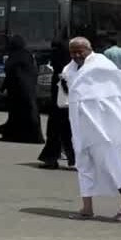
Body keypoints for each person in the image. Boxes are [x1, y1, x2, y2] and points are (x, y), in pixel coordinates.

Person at [61, 36, 121, 222]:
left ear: (89, 49)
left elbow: (116, 93)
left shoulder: (102, 64)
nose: (76, 55)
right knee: (83, 165)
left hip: (102, 127)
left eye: (80, 51)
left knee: (111, 164)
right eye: (73, 52)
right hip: (80, 125)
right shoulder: (68, 70)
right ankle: (87, 208)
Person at [0, 35, 44, 144]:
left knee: (17, 115)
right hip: (28, 89)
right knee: (28, 113)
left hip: (17, 91)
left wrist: (3, 88)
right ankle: (32, 136)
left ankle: (17, 135)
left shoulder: (14, 57)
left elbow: (11, 74)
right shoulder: (27, 55)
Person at [38, 40, 75, 169]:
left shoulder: (62, 70)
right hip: (69, 106)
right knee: (69, 133)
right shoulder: (72, 64)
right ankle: (73, 160)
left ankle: (51, 159)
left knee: (56, 132)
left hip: (60, 106)